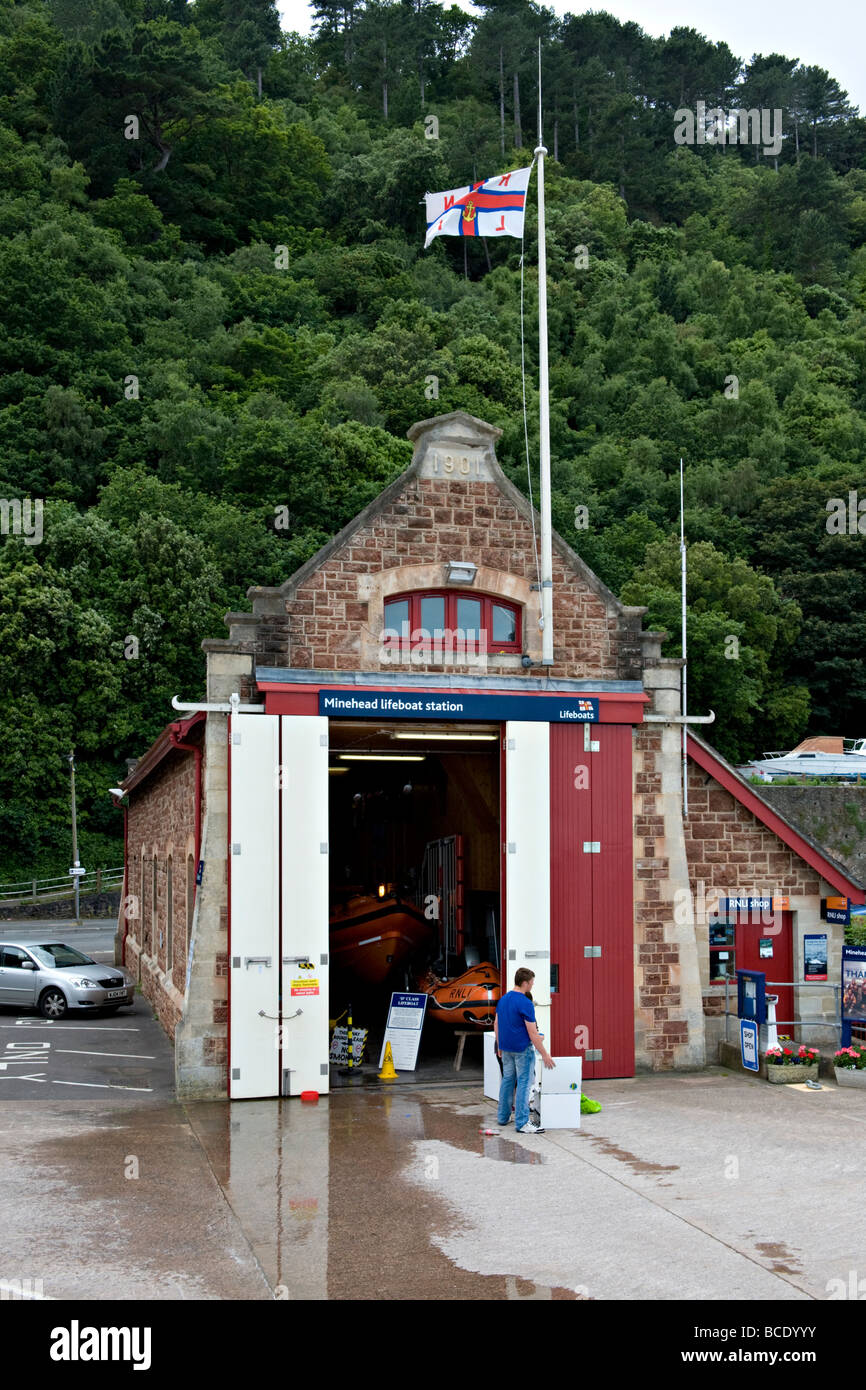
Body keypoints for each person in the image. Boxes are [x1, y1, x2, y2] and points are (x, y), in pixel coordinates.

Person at [494, 968, 554, 1134]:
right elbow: (533, 1033)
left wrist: (499, 1045)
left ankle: (503, 1117)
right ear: (525, 982)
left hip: (506, 1048)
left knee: (507, 1081)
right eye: (532, 982)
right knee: (523, 1084)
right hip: (522, 1049)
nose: (533, 985)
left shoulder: (503, 999)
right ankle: (522, 1123)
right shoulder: (525, 1003)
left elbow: (497, 1024)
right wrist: (545, 1054)